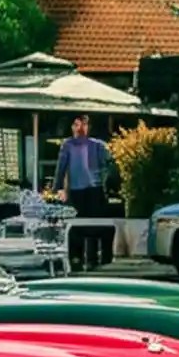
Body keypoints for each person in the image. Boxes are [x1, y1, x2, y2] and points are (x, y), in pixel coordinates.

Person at [53, 114, 117, 270]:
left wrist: (106, 180)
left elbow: (109, 164)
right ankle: (76, 259)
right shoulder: (67, 145)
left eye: (83, 125)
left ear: (88, 127)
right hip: (76, 190)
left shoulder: (97, 145)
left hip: (94, 189)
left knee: (95, 223)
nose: (80, 128)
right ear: (72, 127)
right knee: (76, 226)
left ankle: (93, 259)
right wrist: (58, 187)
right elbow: (61, 166)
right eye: (76, 125)